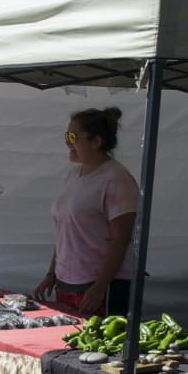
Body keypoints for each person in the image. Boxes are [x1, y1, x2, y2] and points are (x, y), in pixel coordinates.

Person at [34, 107, 139, 319]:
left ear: (96, 141)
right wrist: (51, 274)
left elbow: (122, 239)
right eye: (66, 135)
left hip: (101, 286)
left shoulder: (116, 179)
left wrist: (100, 287)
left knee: (97, 348)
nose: (67, 142)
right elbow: (66, 230)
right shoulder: (74, 175)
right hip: (67, 282)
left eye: (72, 136)